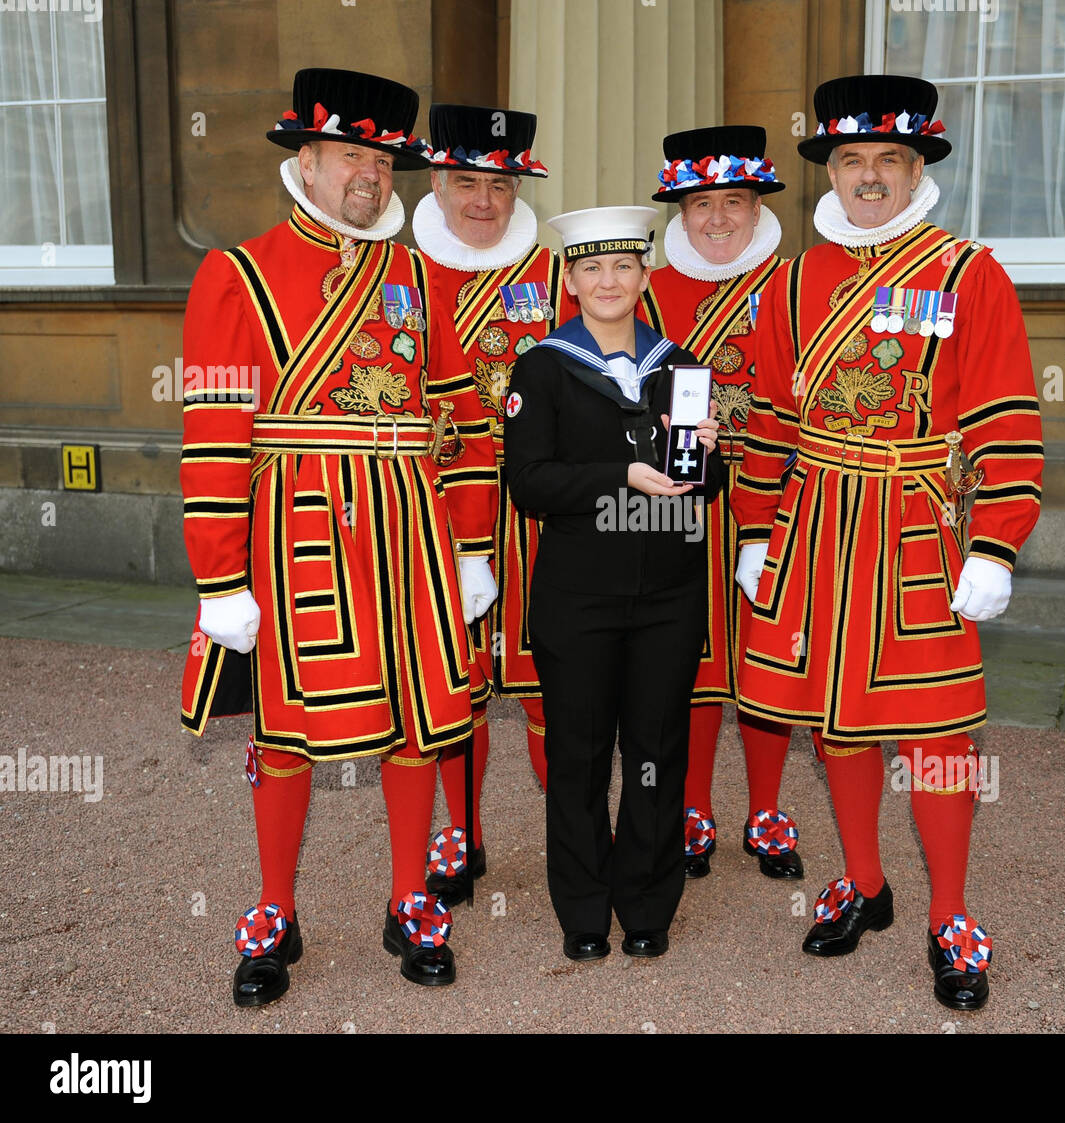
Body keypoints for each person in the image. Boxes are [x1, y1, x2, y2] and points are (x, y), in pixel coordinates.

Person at [179, 68, 498, 1004]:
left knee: (413, 716)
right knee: (286, 729)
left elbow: (458, 416)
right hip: (294, 530)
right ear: (307, 160)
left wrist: (475, 544)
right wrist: (218, 577)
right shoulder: (235, 273)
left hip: (408, 527)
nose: (369, 175)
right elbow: (211, 432)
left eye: (383, 160)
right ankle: (275, 908)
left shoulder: (415, 277)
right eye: (351, 155)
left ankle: (410, 898)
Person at [731, 74, 1044, 1010]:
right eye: (852, 160)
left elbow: (1005, 419)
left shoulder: (968, 272)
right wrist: (753, 526)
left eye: (888, 161)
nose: (869, 177)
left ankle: (951, 912)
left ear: (917, 169)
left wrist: (997, 541)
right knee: (837, 717)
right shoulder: (791, 280)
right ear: (830, 168)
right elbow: (772, 421)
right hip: (815, 524)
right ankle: (867, 881)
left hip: (915, 526)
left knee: (939, 730)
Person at [505, 207, 723, 962]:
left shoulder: (680, 364)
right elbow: (528, 482)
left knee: (659, 750)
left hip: (667, 590)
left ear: (644, 275)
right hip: (579, 592)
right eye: (592, 268)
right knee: (580, 754)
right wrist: (620, 475)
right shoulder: (542, 367)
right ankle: (584, 909)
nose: (609, 281)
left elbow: (703, 484)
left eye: (624, 267)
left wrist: (708, 453)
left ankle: (648, 901)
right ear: (569, 279)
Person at [413, 104, 576, 907]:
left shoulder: (561, 276)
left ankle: (569, 836)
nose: (484, 200)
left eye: (500, 183)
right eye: (467, 182)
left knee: (555, 676)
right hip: (440, 512)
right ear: (439, 183)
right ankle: (461, 830)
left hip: (548, 514)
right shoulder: (396, 273)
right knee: (456, 680)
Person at [640, 125, 808, 883]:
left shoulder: (799, 283)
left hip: (780, 491)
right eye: (701, 202)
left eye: (732, 202)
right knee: (691, 658)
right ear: (680, 209)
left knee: (766, 651)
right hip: (678, 494)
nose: (716, 218)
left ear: (755, 205)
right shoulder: (644, 287)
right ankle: (694, 806)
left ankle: (767, 808)